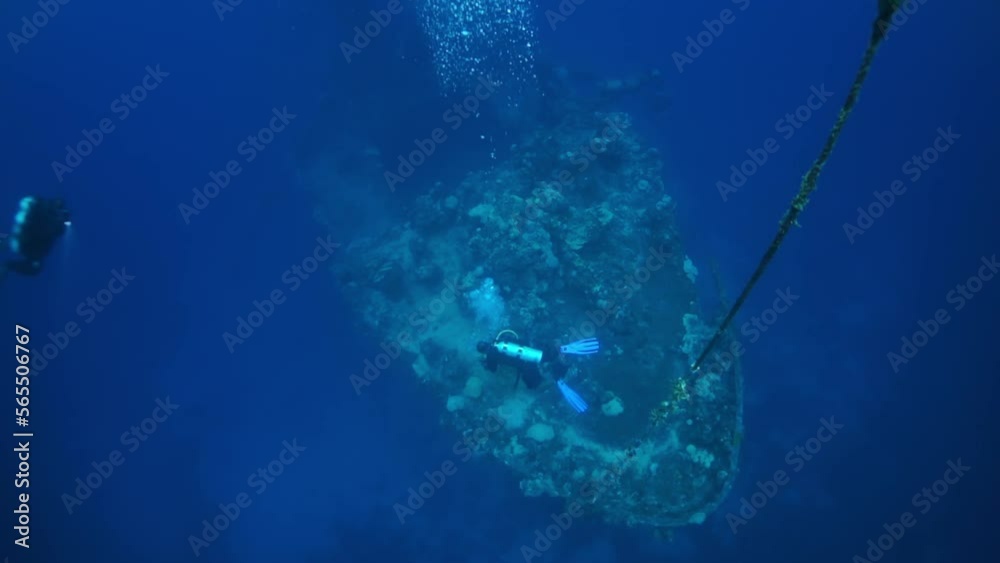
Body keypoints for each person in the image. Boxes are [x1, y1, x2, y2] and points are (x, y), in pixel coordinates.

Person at [476, 330, 598, 413]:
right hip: (532, 351)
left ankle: (557, 379)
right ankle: (562, 350)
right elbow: (518, 339)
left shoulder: (490, 355)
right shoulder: (501, 340)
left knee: (532, 384)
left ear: (483, 351)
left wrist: (486, 365)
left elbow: (493, 370)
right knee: (547, 356)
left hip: (526, 364)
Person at [2, 196, 71, 278]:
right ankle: (6, 266)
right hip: (28, 244)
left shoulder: (43, 211)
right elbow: (54, 231)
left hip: (25, 240)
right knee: (34, 266)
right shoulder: (51, 220)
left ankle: (6, 265)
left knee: (11, 241)